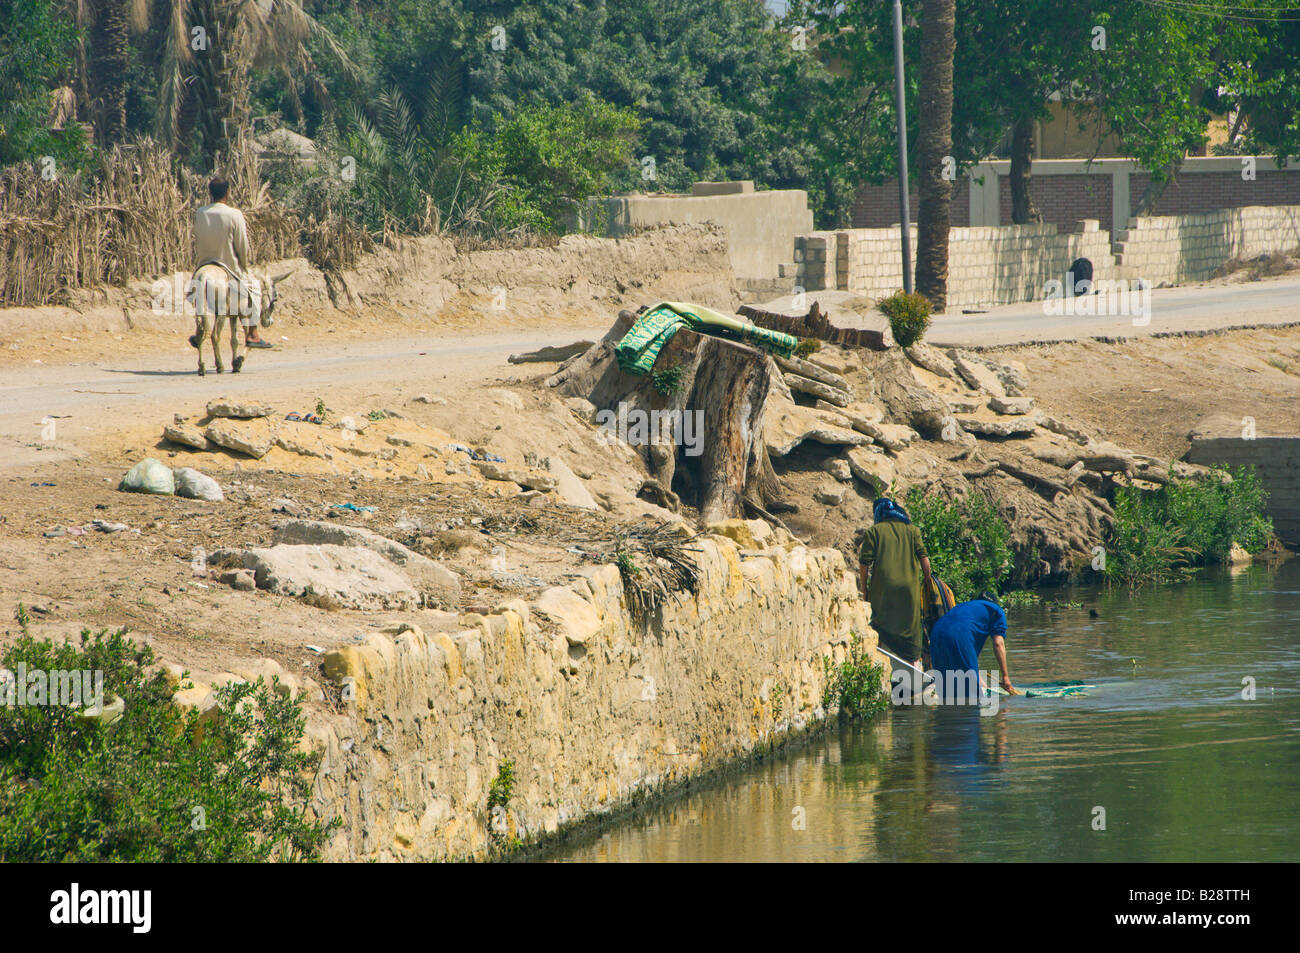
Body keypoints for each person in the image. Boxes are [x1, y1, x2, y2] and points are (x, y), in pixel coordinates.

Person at [192, 175, 273, 350]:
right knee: (255, 287)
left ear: (210, 193)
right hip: (228, 265)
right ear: (228, 192)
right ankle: (252, 333)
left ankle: (199, 332)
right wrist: (244, 265)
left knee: (195, 290)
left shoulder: (200, 213)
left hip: (204, 263)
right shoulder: (234, 214)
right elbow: (242, 244)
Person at [859, 498, 934, 683]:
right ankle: (914, 664)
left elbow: (864, 564)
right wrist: (928, 584)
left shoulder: (874, 531)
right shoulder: (912, 531)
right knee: (911, 624)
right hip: (909, 588)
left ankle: (882, 664)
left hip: (882, 587)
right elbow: (925, 560)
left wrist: (864, 591)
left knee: (880, 621)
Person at [928, 592, 1020, 702]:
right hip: (959, 634)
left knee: (946, 689)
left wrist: (983, 686)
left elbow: (968, 661)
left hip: (936, 634)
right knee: (973, 697)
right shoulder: (996, 610)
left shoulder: (965, 607)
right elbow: (998, 644)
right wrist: (1005, 677)